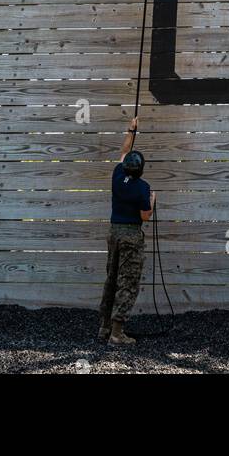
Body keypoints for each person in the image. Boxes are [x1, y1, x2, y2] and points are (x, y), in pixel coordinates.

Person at [98, 116, 155, 346]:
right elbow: (145, 216)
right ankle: (117, 333)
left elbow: (123, 152)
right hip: (131, 235)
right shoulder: (142, 188)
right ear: (141, 170)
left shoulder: (117, 175)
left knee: (111, 279)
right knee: (128, 282)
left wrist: (131, 130)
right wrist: (152, 200)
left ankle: (104, 328)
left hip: (114, 232)